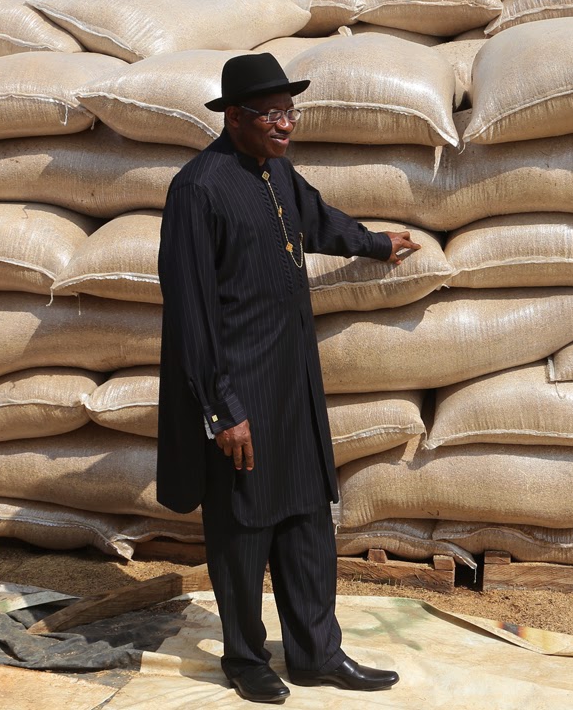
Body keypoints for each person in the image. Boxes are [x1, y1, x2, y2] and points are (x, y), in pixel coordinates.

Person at [157, 52, 420, 704]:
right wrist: (221, 409)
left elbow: (318, 220)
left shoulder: (277, 170)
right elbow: (190, 311)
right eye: (271, 114)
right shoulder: (199, 189)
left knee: (307, 520)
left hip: (294, 384)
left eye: (289, 111)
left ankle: (316, 654)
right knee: (243, 529)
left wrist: (375, 243)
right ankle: (245, 658)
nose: (285, 124)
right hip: (240, 391)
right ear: (234, 117)